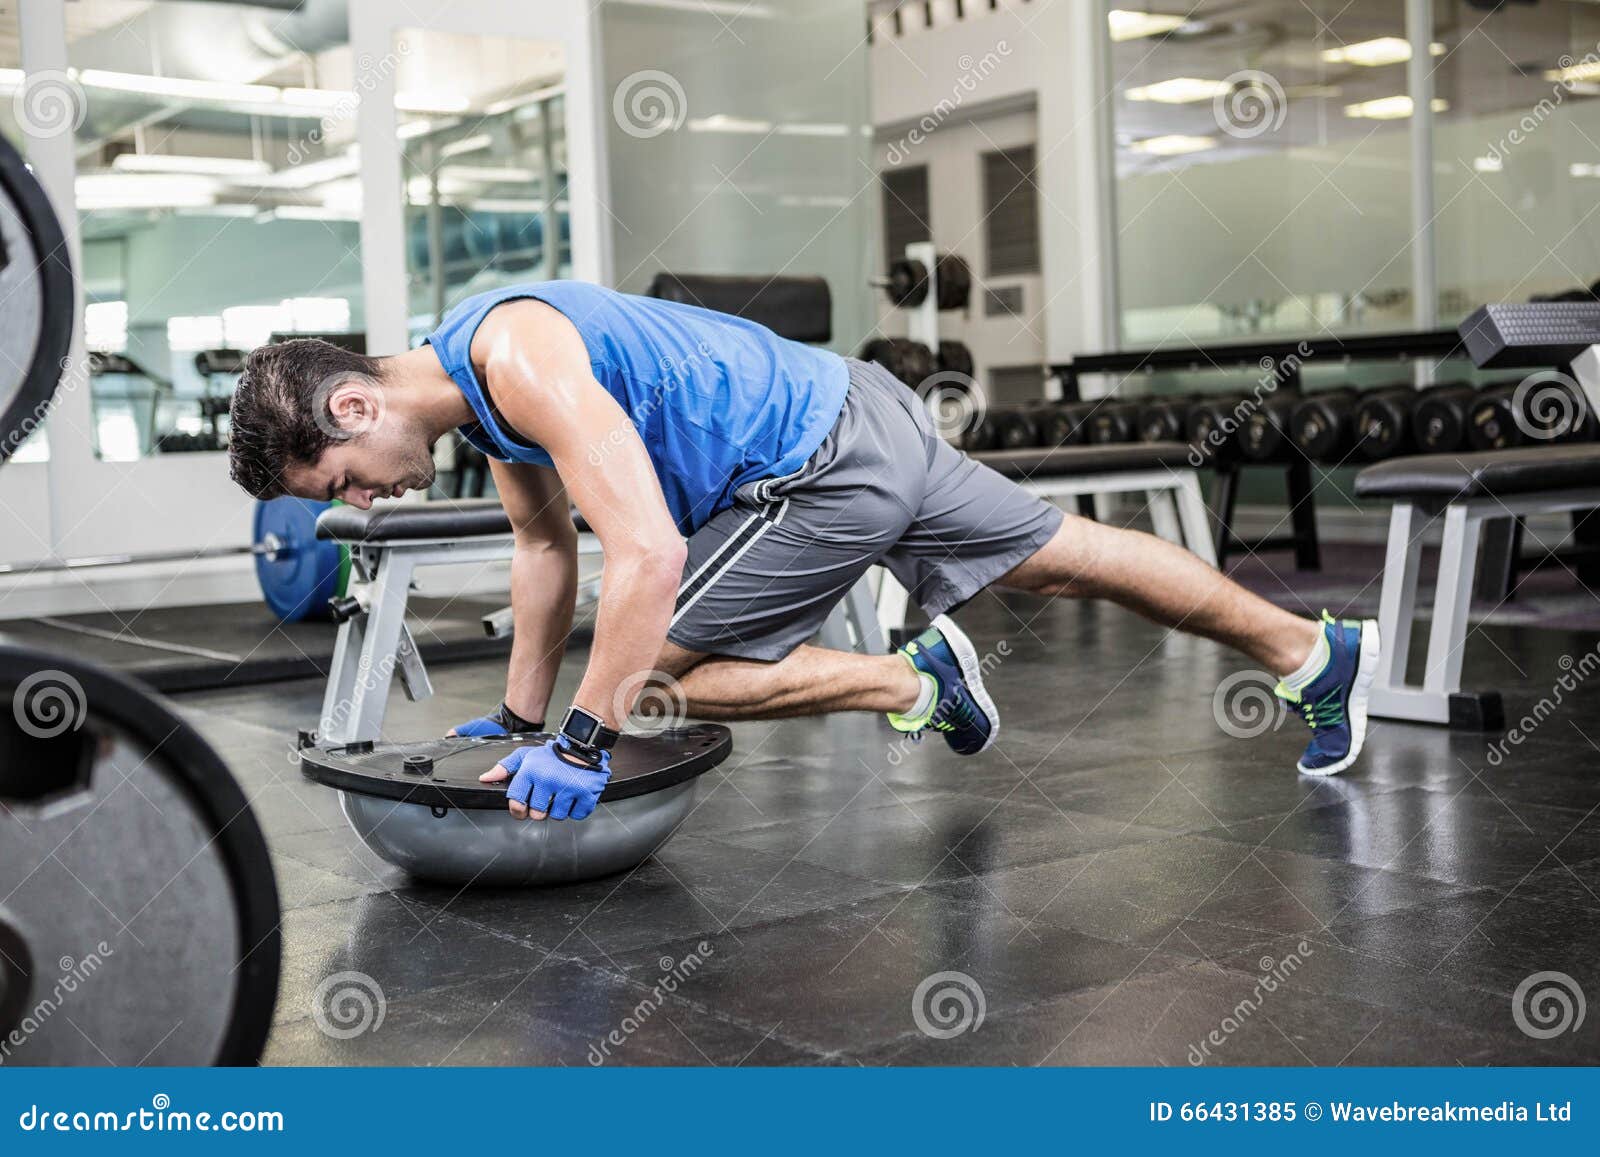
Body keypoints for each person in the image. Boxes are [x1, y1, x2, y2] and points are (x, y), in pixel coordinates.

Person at [227, 282, 1379, 821]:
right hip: (856, 409)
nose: (361, 510)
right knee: (1062, 556)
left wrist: (581, 738)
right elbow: (541, 545)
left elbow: (645, 558)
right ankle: (1310, 649)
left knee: (649, 676)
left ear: (351, 410)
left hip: (815, 463)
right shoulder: (475, 390)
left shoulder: (516, 356)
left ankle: (910, 678)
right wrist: (522, 718)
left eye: (338, 487)